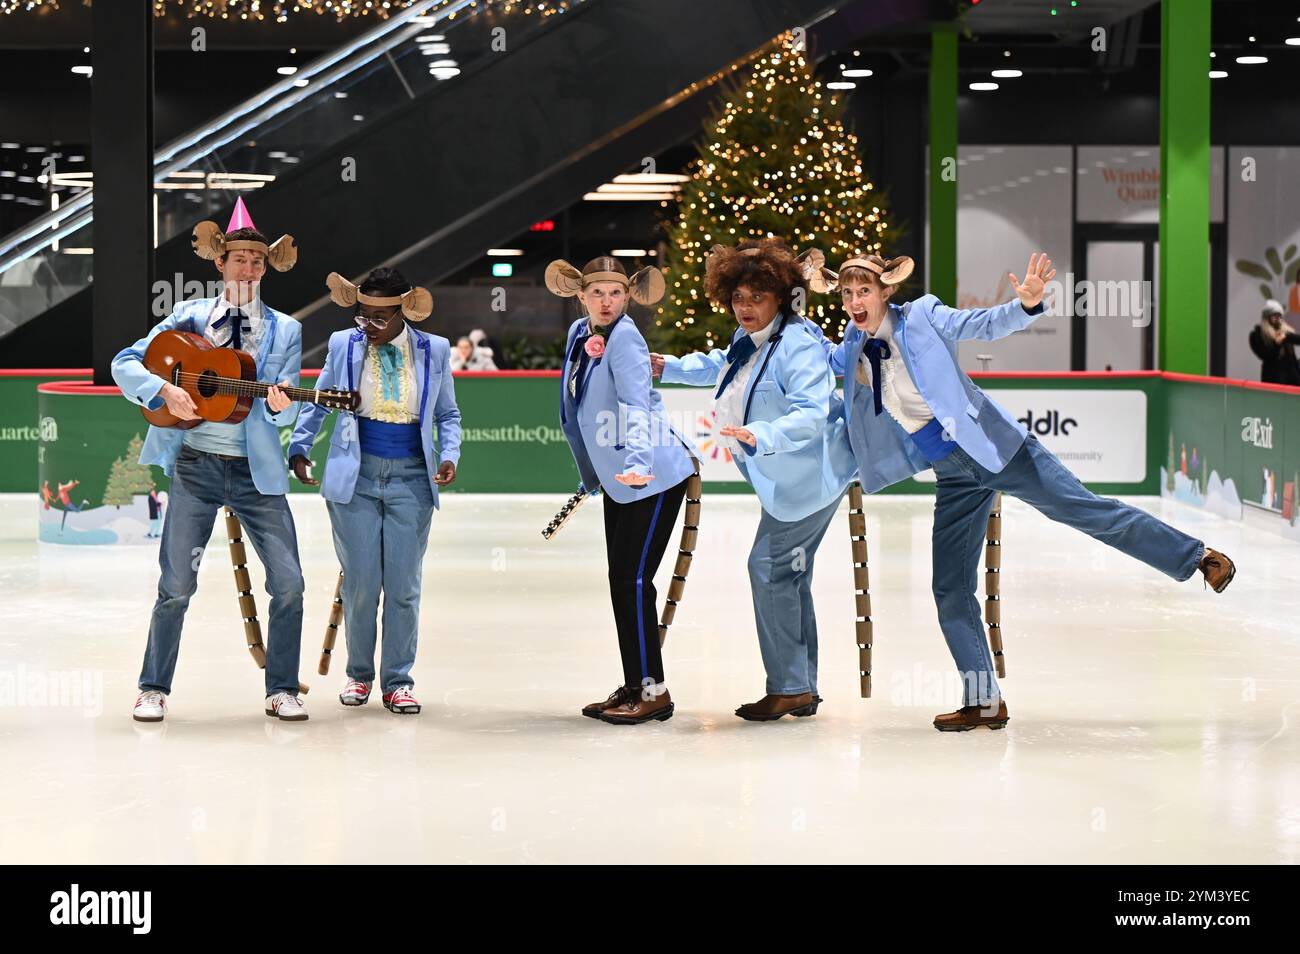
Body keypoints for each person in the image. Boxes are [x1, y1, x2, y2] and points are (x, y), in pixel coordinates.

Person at [818, 249, 1236, 732]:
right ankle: (984, 701)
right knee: (950, 587)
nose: (854, 300)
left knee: (1090, 513)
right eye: (847, 293)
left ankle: (1197, 557)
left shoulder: (924, 316)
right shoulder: (852, 342)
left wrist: (1025, 306)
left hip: (998, 450)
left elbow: (980, 323)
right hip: (952, 473)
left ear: (886, 291)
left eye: (863, 291)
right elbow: (828, 359)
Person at [111, 197, 308, 723]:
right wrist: (161, 392)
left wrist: (282, 404)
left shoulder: (286, 331)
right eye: (239, 259)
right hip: (196, 466)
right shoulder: (188, 317)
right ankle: (153, 686)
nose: (248, 269)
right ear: (219, 264)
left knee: (289, 583)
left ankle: (282, 687)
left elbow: (283, 410)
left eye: (258, 261)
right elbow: (124, 361)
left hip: (256, 472)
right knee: (176, 584)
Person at [651, 239, 856, 721]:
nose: (744, 307)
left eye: (755, 298)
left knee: (768, 569)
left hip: (810, 477)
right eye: (737, 298)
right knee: (788, 576)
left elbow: (811, 413)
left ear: (780, 297)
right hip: (789, 478)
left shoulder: (798, 344)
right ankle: (800, 685)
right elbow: (722, 368)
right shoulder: (755, 337)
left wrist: (759, 434)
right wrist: (670, 367)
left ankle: (789, 687)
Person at [289, 267, 462, 715]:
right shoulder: (343, 345)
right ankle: (359, 675)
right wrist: (299, 448)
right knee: (362, 585)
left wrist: (451, 455)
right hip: (356, 477)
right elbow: (320, 401)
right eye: (363, 315)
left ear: (403, 310)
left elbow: (448, 414)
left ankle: (399, 681)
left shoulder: (434, 350)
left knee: (404, 587)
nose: (369, 324)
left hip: (412, 479)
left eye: (380, 317)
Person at [548, 255, 699, 724]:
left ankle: (654, 692)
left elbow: (637, 406)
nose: (607, 301)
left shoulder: (627, 338)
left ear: (628, 296)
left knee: (634, 582)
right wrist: (593, 474)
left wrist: (636, 465)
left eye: (616, 293)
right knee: (623, 583)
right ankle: (636, 684)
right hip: (619, 478)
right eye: (597, 293)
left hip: (651, 474)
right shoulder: (581, 336)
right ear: (581, 297)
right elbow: (573, 411)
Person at [1247, 299, 1300, 386]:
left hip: (1292, 380)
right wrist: (1277, 343)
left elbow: (1297, 339)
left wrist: (1285, 337)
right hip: (1274, 380)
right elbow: (1264, 355)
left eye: (1279, 315)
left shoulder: (1284, 331)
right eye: (1274, 315)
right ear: (1267, 316)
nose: (1278, 318)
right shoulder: (1257, 335)